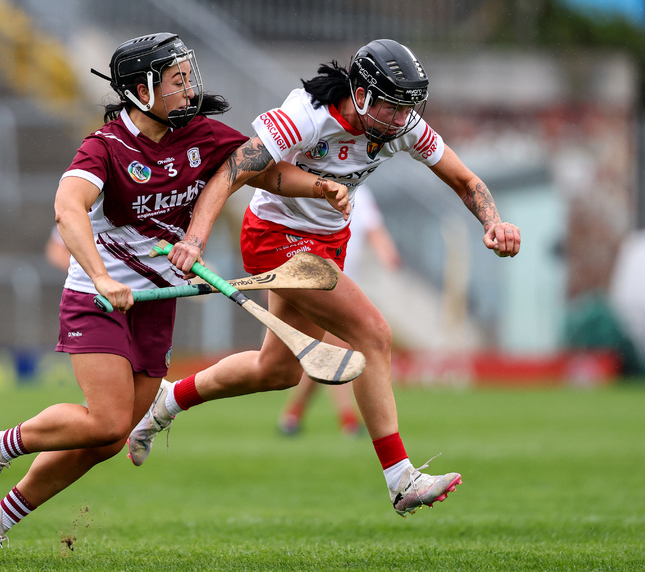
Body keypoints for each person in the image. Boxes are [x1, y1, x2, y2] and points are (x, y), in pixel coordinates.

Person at [0, 32, 348, 564]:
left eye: (189, 76)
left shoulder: (202, 134)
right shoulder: (106, 147)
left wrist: (317, 187)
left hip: (153, 302)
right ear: (141, 89)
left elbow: (262, 169)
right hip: (97, 299)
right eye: (177, 80)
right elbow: (68, 209)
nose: (189, 88)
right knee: (107, 421)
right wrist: (100, 276)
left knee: (105, 442)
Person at [127, 39, 521, 518]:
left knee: (277, 371)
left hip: (328, 243)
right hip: (274, 237)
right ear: (359, 93)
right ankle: (401, 478)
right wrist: (196, 238)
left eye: (407, 109)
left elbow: (465, 180)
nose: (401, 121)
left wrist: (492, 221)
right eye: (392, 108)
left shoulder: (401, 125)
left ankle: (167, 401)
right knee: (372, 334)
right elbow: (232, 170)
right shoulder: (305, 116)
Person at [277, 190, 401, 437]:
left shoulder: (362, 194)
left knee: (320, 356)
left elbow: (374, 228)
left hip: (343, 285)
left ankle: (293, 415)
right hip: (317, 282)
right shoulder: (317, 183)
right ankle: (348, 419)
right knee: (337, 352)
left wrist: (387, 253)